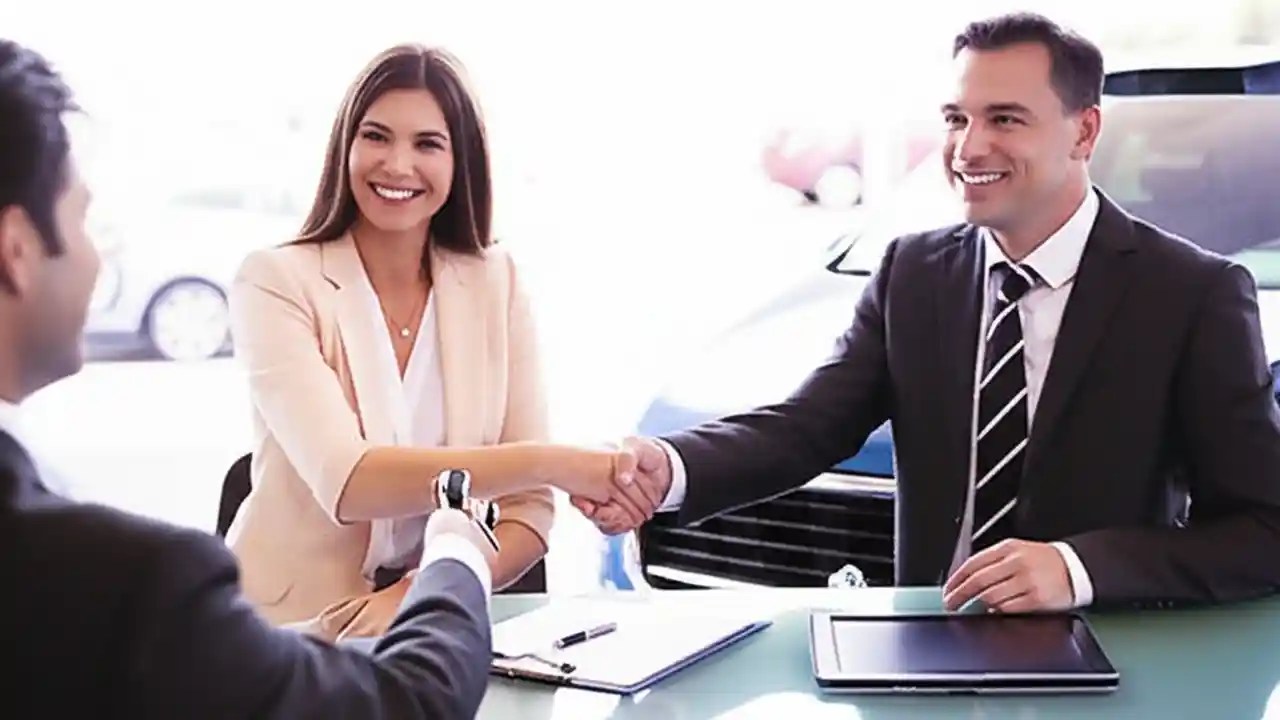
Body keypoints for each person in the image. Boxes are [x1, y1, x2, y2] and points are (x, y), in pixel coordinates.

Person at [576, 12, 1280, 612]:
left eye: (1005, 119)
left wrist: (1077, 568)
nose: (969, 148)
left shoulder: (1194, 295)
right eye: (956, 119)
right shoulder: (912, 273)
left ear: (1083, 132)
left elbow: (1261, 530)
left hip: (1119, 664)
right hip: (924, 658)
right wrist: (666, 469)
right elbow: (805, 429)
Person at [0, 38, 502, 719]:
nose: (97, 259)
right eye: (83, 217)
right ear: (17, 250)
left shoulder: (491, 281)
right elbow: (407, 707)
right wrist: (454, 550)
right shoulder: (123, 579)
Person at [225, 42, 647, 640]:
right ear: (345, 146)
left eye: (428, 144)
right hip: (289, 633)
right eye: (376, 136)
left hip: (441, 628)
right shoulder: (274, 281)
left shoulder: (495, 282)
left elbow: (530, 512)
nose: (398, 165)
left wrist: (423, 591)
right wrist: (559, 461)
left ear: (461, 161)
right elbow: (349, 481)